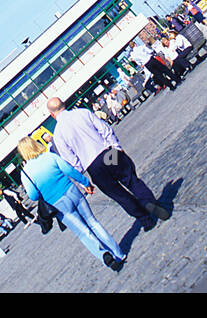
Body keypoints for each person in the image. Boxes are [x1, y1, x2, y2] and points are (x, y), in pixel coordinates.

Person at [47, 96, 171, 230]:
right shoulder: (82, 113)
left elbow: (71, 161)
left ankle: (145, 219)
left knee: (119, 195)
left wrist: (83, 180)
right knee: (131, 180)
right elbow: (104, 129)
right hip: (107, 153)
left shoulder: (58, 135)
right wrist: (116, 146)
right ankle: (150, 202)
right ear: (64, 104)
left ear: (52, 114)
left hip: (92, 166)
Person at [17, 136, 126, 271]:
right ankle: (119, 253)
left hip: (57, 204)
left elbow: (33, 196)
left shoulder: (26, 173)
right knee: (93, 222)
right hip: (72, 191)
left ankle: (103, 254)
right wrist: (86, 183)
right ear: (35, 144)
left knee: (83, 232)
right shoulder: (49, 156)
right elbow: (69, 170)